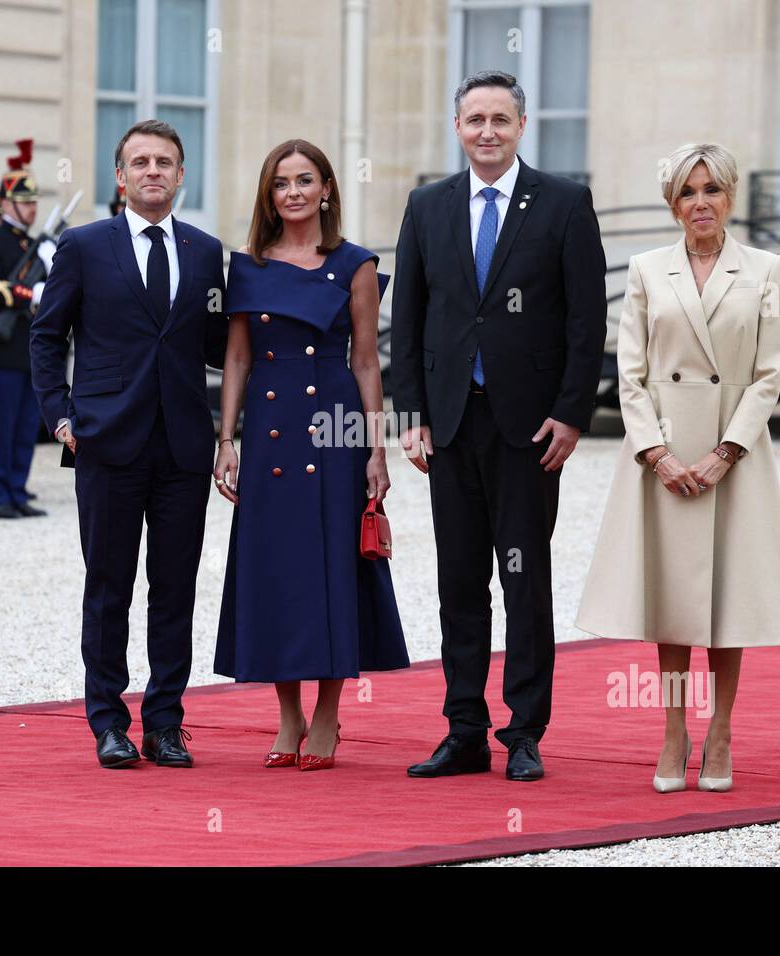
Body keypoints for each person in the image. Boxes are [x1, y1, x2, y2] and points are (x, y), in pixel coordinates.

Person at [390, 70, 609, 781]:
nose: (487, 131)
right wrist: (411, 417)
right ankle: (463, 730)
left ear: (522, 126)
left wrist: (573, 412)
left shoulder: (566, 204)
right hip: (450, 425)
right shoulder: (428, 207)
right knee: (459, 581)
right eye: (474, 119)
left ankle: (524, 733)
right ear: (457, 127)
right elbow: (410, 320)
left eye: (500, 120)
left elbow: (587, 319)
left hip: (529, 428)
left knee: (524, 578)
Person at [574, 143, 780, 793]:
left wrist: (725, 452)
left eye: (711, 190)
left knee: (727, 599)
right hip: (664, 460)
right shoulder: (648, 269)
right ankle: (674, 731)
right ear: (671, 203)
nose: (700, 202)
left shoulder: (766, 270)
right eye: (687, 192)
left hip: (732, 458)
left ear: (730, 196)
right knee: (674, 602)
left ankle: (723, 730)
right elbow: (630, 372)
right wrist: (657, 452)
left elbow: (770, 373)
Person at [31, 119, 228, 770]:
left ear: (180, 176)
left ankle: (165, 723)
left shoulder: (205, 252)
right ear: (119, 177)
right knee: (109, 586)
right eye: (139, 162)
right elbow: (45, 334)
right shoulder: (84, 246)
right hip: (106, 442)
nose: (152, 171)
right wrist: (59, 417)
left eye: (164, 162)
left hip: (183, 447)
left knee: (174, 589)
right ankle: (108, 723)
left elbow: (218, 345)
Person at [213, 140, 410, 771]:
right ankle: (287, 715)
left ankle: (327, 712)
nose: (292, 192)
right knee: (274, 569)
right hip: (271, 425)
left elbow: (364, 359)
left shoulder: (355, 264)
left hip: (334, 426)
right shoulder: (246, 267)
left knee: (331, 565)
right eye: (280, 183)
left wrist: (376, 449)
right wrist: (227, 440)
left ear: (326, 188)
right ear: (268, 196)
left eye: (304, 181)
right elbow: (238, 357)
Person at [0, 143, 51, 519]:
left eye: (34, 202)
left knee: (26, 423)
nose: (32, 208)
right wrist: (27, 292)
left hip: (31, 350)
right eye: (24, 202)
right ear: (5, 204)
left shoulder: (38, 246)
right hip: (1, 347)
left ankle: (17, 488)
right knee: (1, 424)